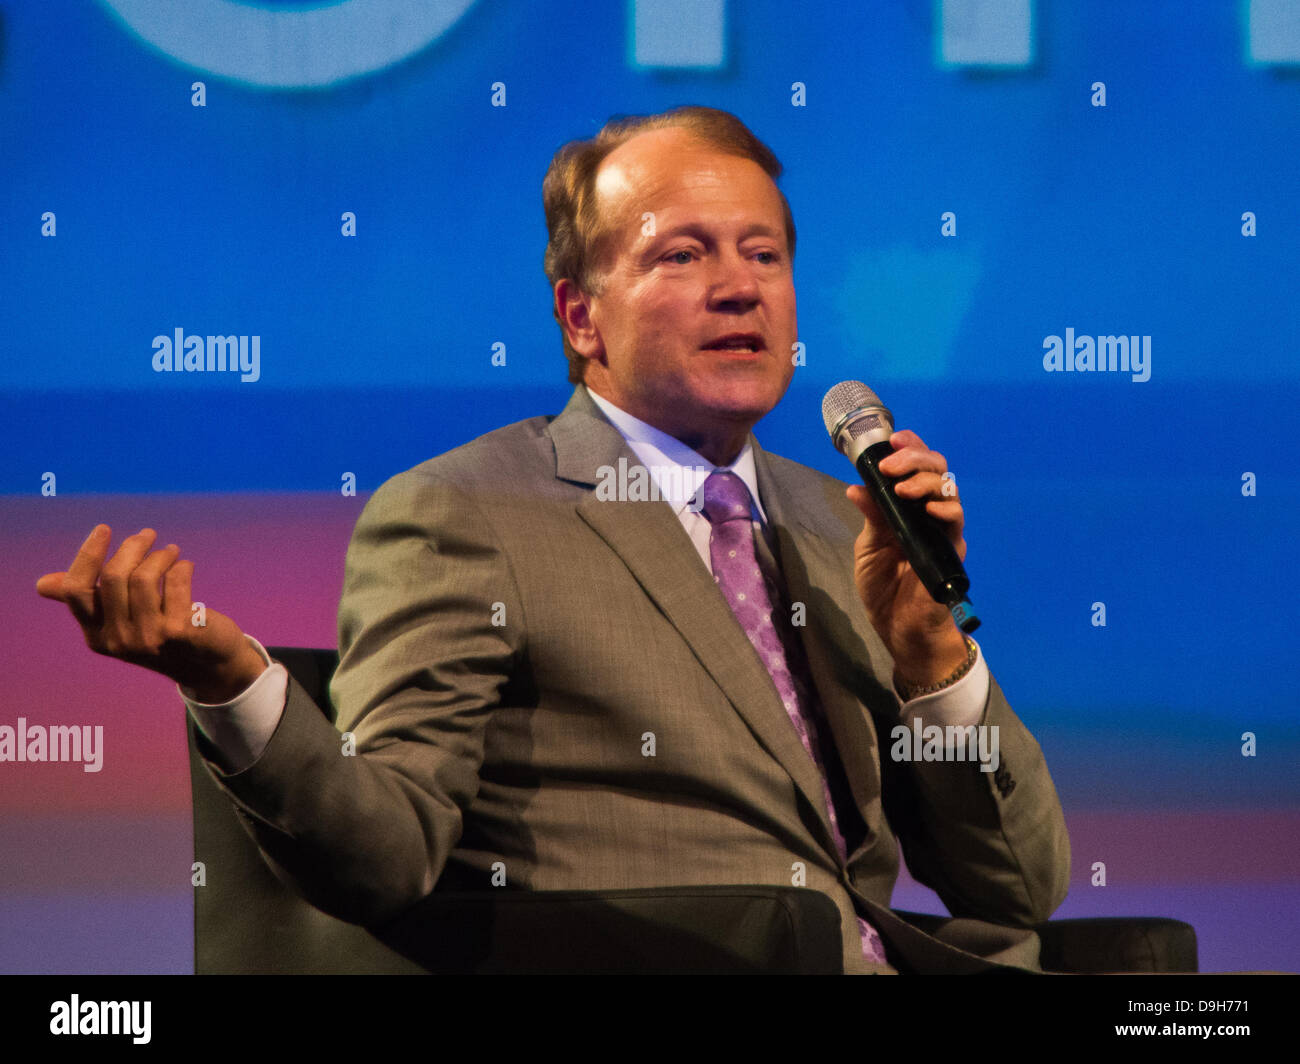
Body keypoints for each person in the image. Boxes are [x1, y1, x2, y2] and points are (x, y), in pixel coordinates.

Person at [37, 106, 1069, 974]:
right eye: (682, 253)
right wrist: (235, 687)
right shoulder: (468, 512)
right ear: (581, 315)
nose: (739, 285)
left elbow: (1017, 885)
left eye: (764, 253)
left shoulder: (836, 524)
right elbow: (386, 852)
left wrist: (932, 657)